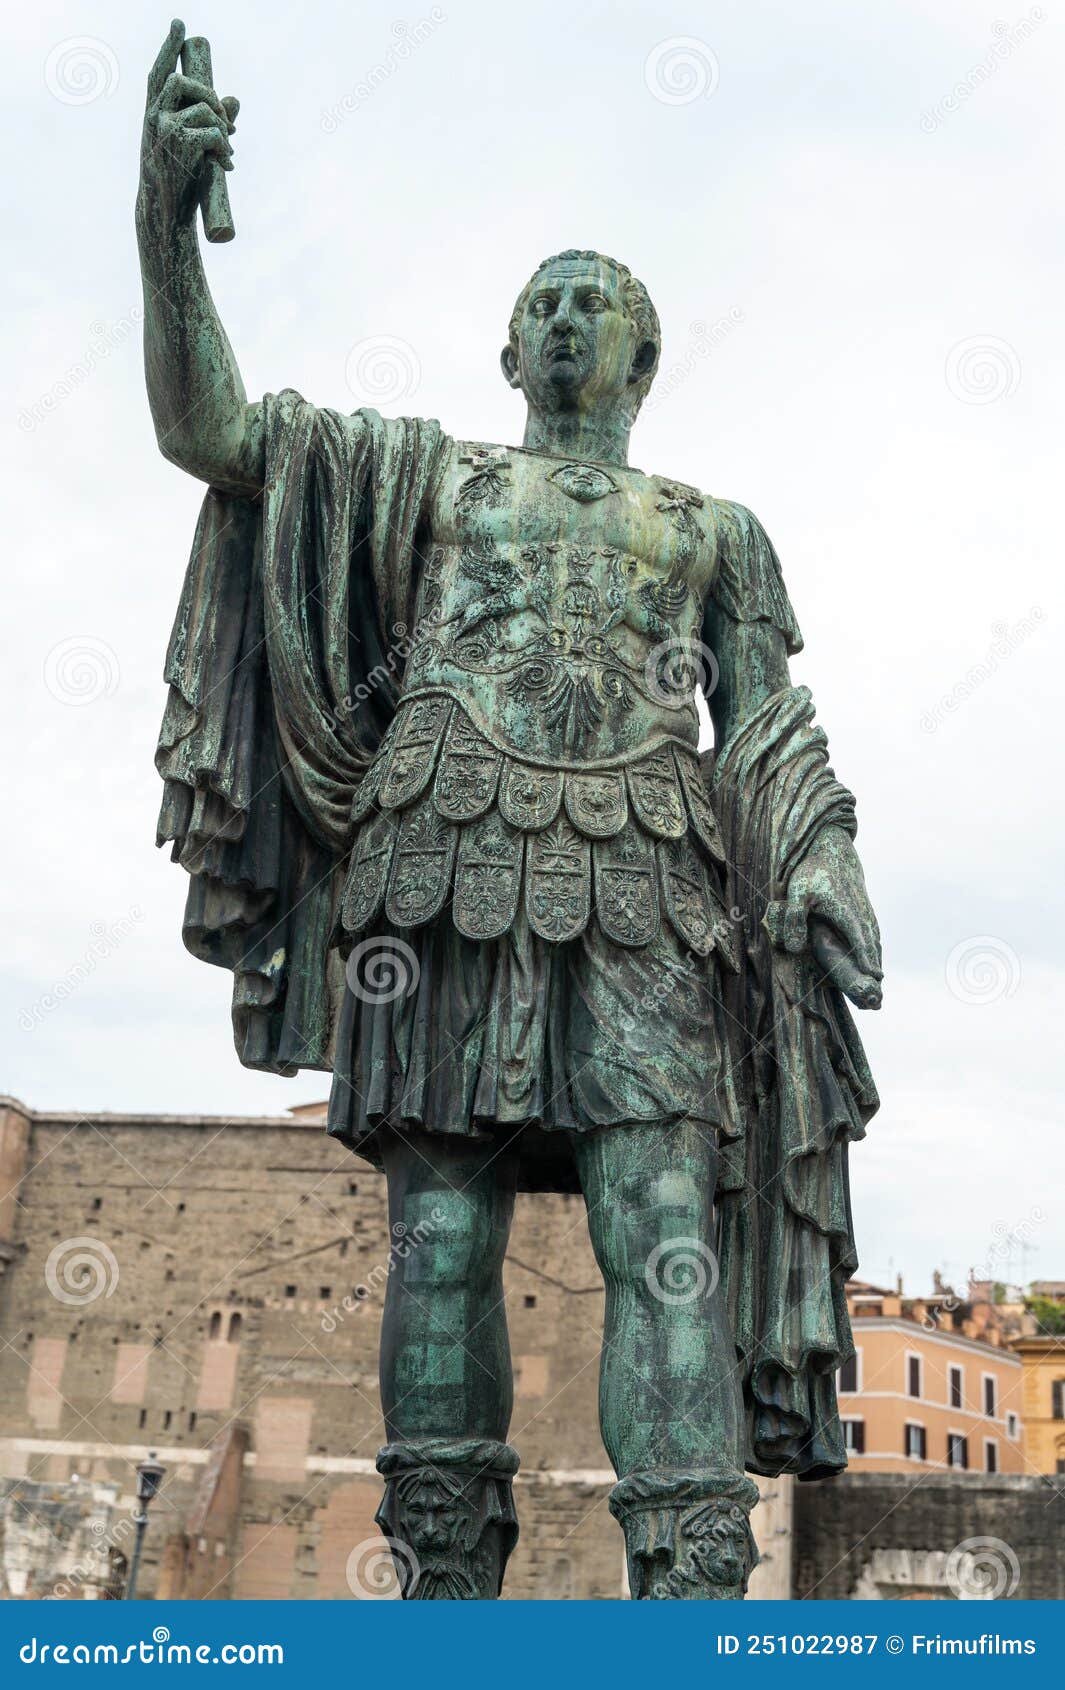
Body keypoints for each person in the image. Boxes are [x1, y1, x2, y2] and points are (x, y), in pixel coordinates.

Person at [138, 21, 882, 1599]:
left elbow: (770, 733)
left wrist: (817, 858)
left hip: (649, 889)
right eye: (538, 304)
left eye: (591, 304)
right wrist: (161, 230)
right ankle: (442, 1599)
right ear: (503, 357)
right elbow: (209, 431)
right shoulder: (425, 483)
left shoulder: (712, 529)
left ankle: (684, 1593)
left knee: (661, 1218)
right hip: (440, 867)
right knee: (440, 1246)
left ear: (640, 356)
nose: (562, 322)